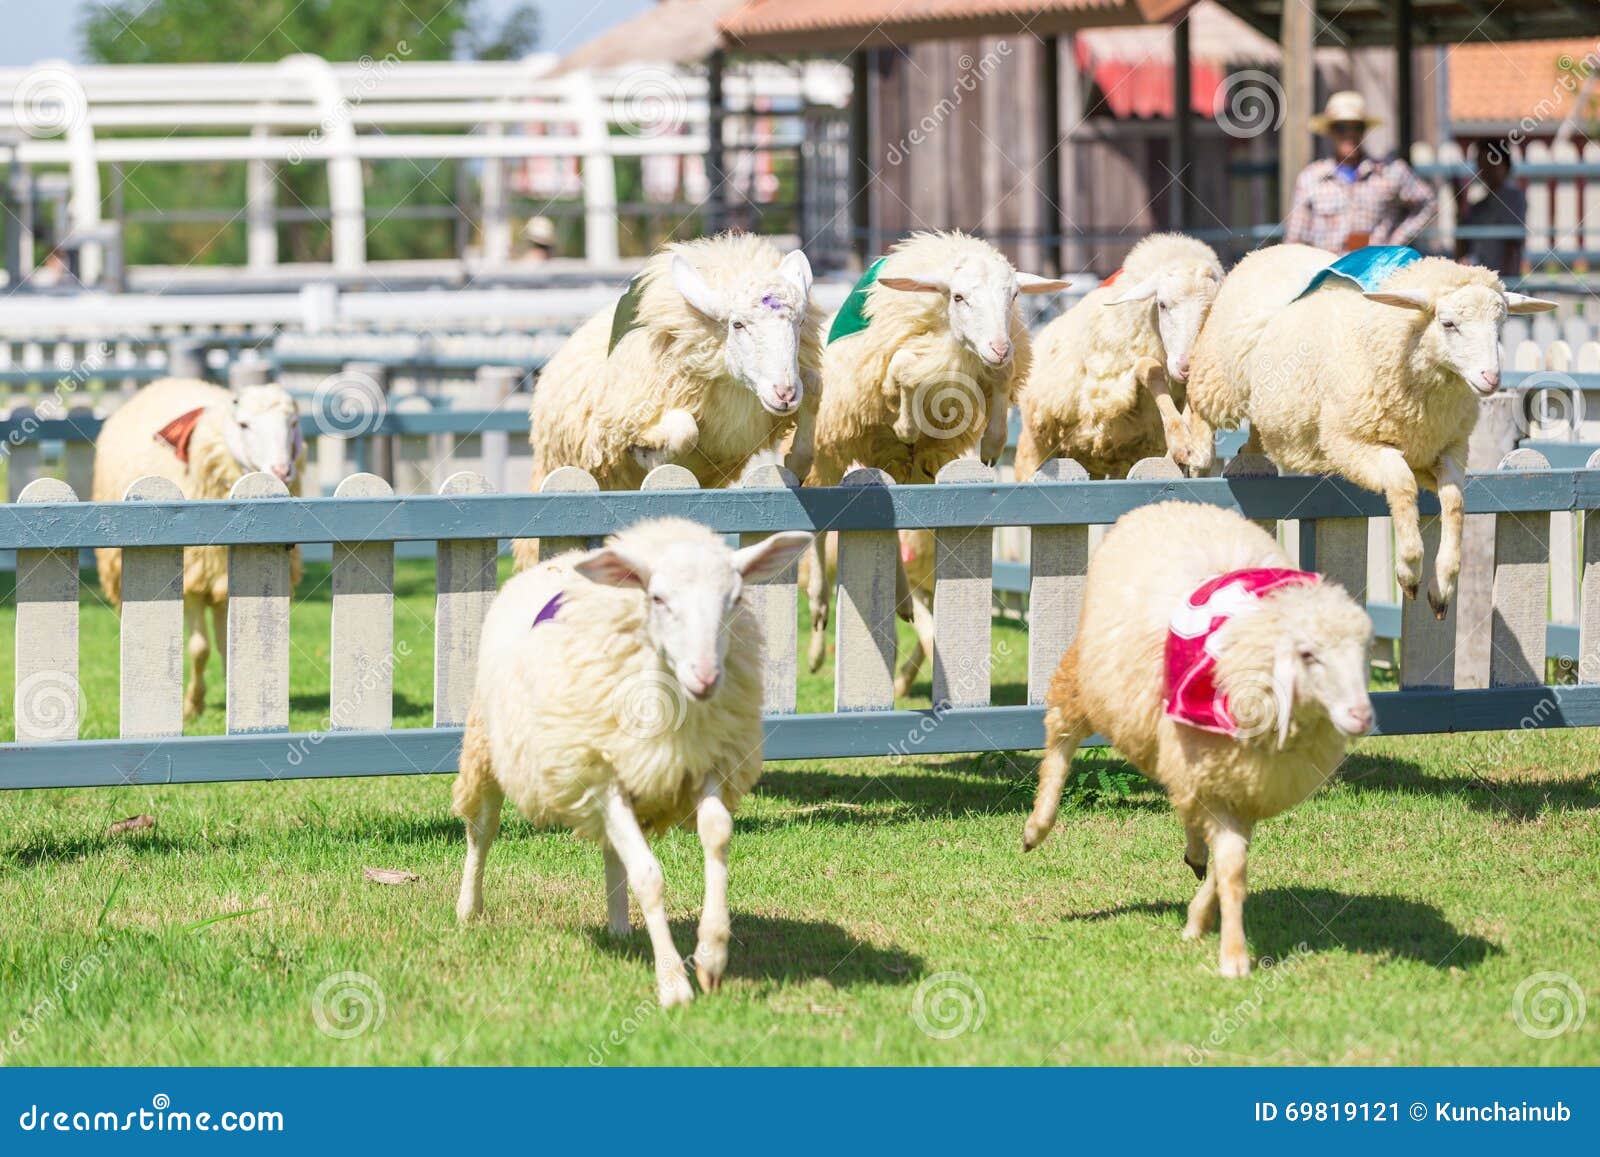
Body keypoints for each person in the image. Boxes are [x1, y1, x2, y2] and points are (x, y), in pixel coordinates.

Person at [1284, 91, 1436, 253]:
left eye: (1356, 127)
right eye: (1341, 128)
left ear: (1364, 131)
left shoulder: (1390, 171)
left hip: (1377, 271)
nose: (1350, 134)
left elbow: (1428, 203)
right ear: (1331, 131)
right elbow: (1295, 239)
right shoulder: (1311, 178)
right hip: (1327, 272)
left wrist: (1396, 243)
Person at [1456, 142, 1526, 277]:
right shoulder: (1480, 204)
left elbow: (1512, 243)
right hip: (1481, 275)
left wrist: (1507, 280)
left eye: (1491, 162)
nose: (1485, 169)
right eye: (1481, 163)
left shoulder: (1512, 197)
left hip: (1500, 277)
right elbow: (1464, 243)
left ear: (1505, 165)